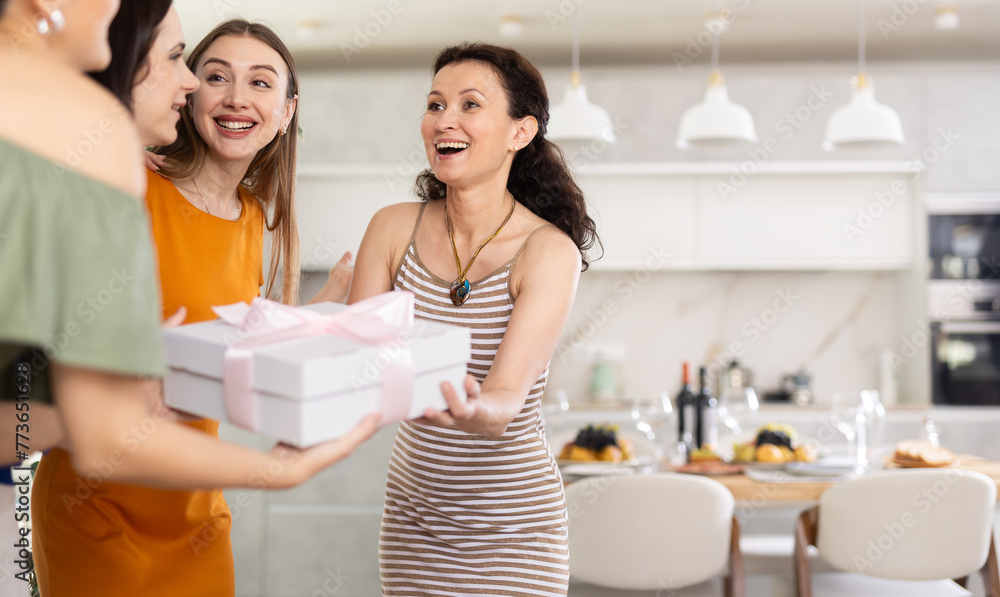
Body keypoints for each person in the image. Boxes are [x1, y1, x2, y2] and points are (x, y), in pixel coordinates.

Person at [0, 0, 377, 592]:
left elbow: (224, 345)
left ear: (286, 112)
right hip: (97, 510)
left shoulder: (254, 220)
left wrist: (319, 315)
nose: (232, 96)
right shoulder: (126, 174)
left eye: (260, 82)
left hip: (197, 505)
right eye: (211, 73)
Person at [349, 43, 600, 596]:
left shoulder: (546, 250)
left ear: (520, 132)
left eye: (469, 105)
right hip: (415, 520)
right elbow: (357, 361)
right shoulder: (393, 229)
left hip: (514, 528)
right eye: (435, 105)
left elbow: (502, 406)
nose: (445, 121)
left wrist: (455, 399)